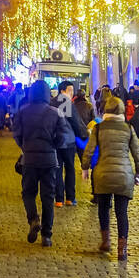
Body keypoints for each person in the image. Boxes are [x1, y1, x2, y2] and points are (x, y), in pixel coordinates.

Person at [81, 94, 139, 260]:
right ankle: (122, 250)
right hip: (124, 175)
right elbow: (137, 153)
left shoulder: (98, 128)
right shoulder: (128, 128)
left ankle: (105, 241)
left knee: (103, 208)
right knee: (121, 212)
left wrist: (85, 167)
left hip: (102, 174)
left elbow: (89, 149)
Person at [14, 79, 66, 247]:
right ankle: (47, 235)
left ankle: (33, 219)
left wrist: (25, 146)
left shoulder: (22, 111)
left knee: (28, 193)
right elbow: (62, 137)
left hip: (29, 159)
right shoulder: (55, 112)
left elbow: (17, 134)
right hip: (49, 160)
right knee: (48, 197)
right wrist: (53, 146)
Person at [51, 80, 89, 208]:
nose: (72, 93)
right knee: (70, 169)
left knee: (57, 169)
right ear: (62, 91)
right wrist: (82, 135)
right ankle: (70, 198)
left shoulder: (52, 102)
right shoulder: (67, 103)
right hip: (68, 141)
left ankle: (59, 199)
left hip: (55, 141)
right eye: (70, 91)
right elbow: (75, 122)